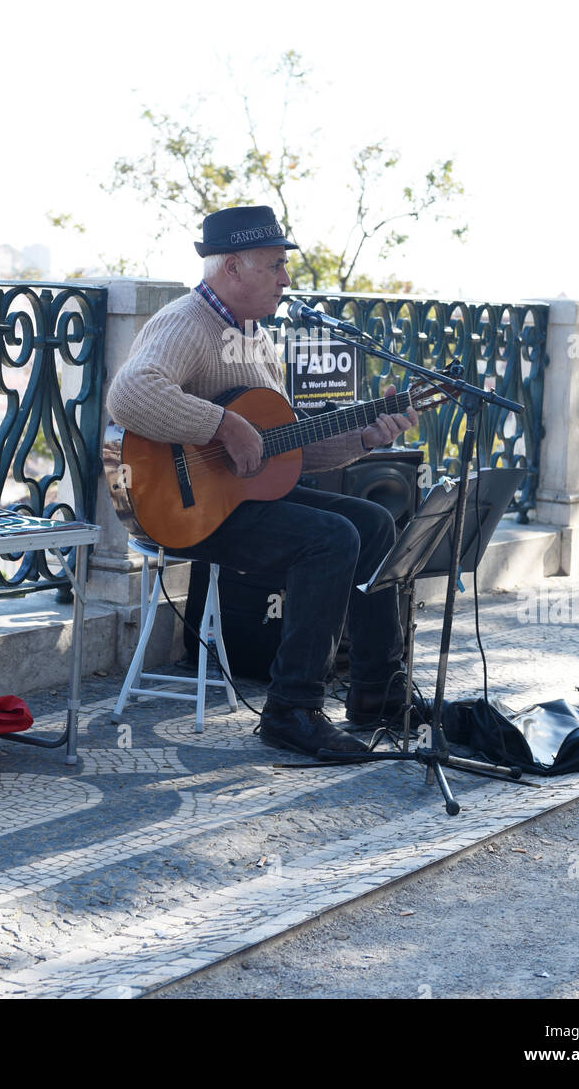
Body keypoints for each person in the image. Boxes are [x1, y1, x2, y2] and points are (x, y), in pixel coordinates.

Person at [106, 205, 426, 758]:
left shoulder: (253, 337)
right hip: (180, 508)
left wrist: (367, 437)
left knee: (372, 522)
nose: (285, 279)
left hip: (234, 499)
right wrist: (223, 424)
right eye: (275, 265)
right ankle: (292, 711)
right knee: (331, 538)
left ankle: (378, 693)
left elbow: (285, 446)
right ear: (232, 267)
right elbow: (130, 394)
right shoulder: (187, 323)